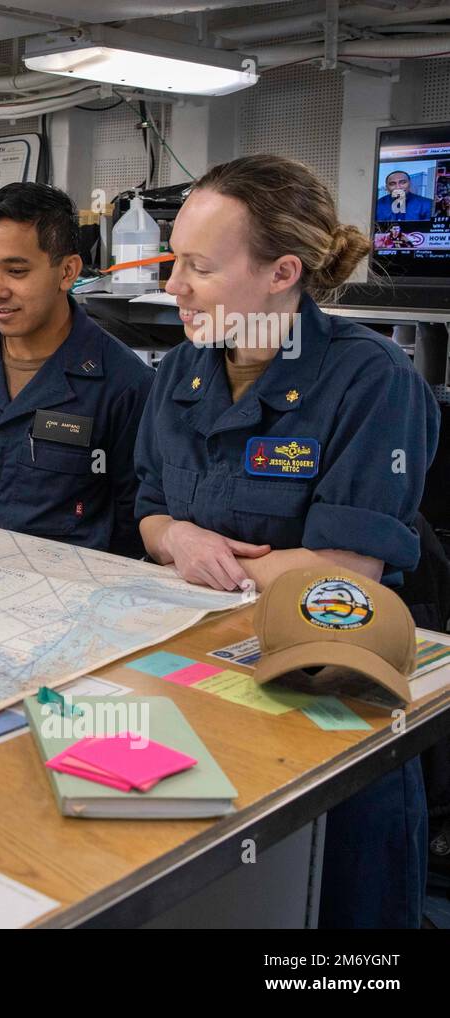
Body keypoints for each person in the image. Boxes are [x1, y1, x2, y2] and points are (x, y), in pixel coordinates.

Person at [134, 154, 436, 928]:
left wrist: (199, 554)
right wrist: (180, 537)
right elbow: (149, 511)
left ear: (282, 273)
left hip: (325, 693)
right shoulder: (179, 373)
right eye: (174, 264)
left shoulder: (371, 379)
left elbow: (345, 569)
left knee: (336, 940)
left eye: (199, 267)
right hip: (194, 681)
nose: (174, 288)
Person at [0, 182, 153, 556]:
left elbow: (133, 521)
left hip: (68, 595)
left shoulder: (124, 384)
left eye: (16, 272)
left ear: (67, 272)